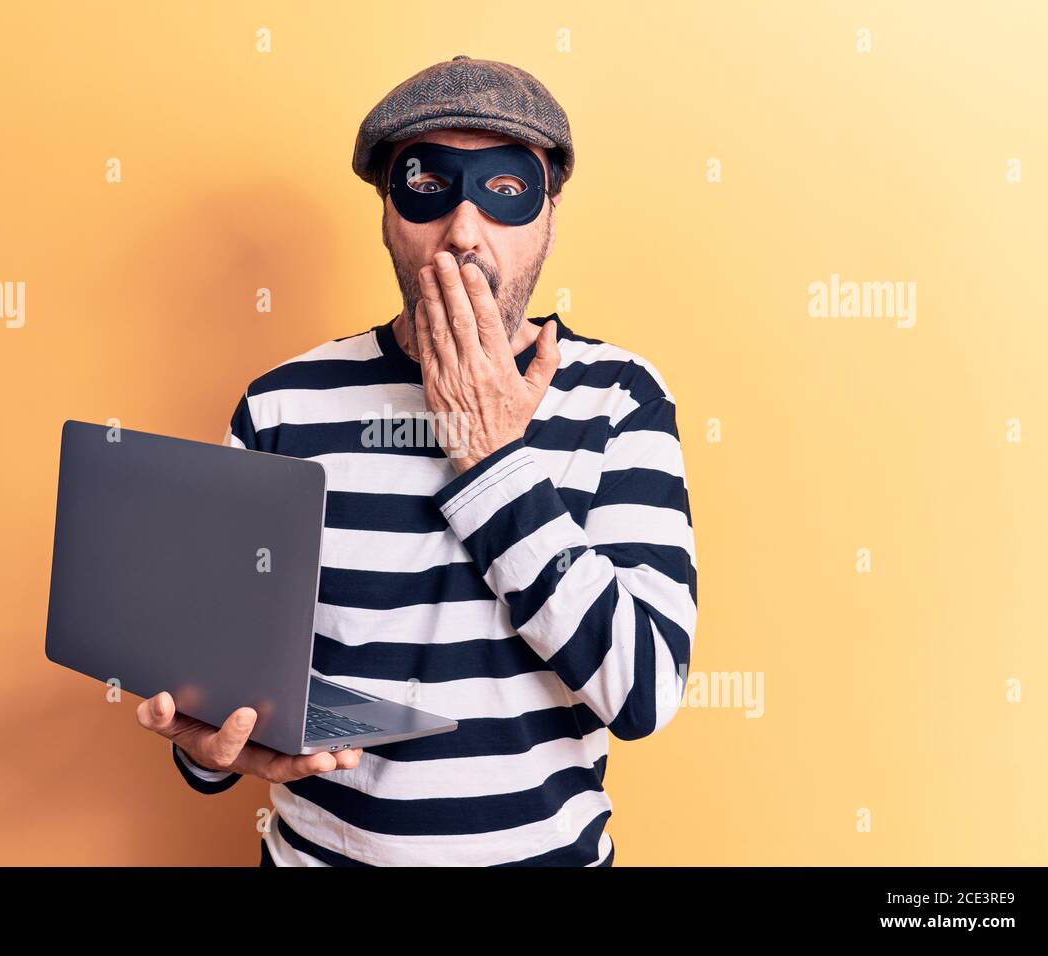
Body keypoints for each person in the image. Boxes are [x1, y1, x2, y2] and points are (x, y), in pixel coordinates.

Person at [136, 54, 698, 866]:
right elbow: (223, 701)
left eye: (506, 191)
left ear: (550, 213)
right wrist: (205, 750)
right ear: (387, 211)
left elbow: (642, 691)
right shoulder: (283, 407)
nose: (464, 231)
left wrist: (492, 454)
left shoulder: (619, 400)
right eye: (428, 186)